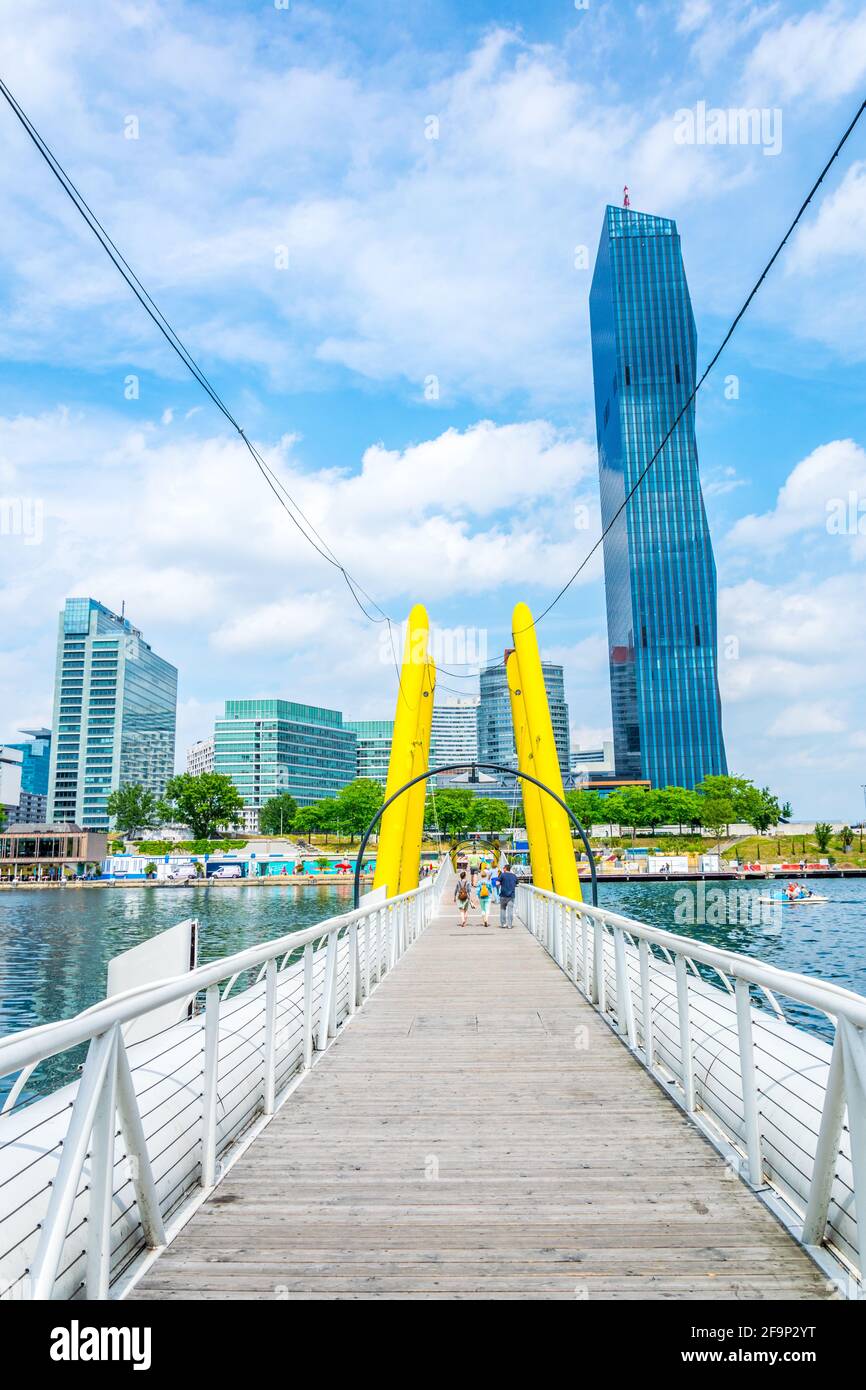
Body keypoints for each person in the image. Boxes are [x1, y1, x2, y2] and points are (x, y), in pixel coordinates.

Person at [498, 862, 518, 928]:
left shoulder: (502, 875)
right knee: (510, 911)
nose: (503, 869)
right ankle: (509, 925)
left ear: (505, 869)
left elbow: (497, 883)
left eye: (503, 868)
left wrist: (500, 884)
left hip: (503, 895)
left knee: (502, 909)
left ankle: (503, 924)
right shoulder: (514, 876)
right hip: (511, 896)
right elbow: (517, 884)